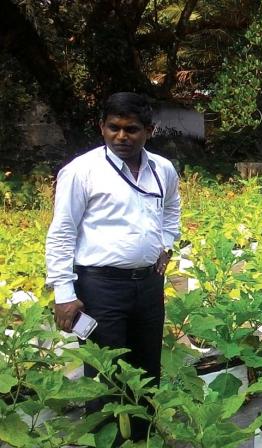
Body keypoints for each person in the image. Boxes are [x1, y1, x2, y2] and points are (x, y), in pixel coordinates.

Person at [46, 92, 181, 442]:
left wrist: (166, 246)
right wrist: (64, 293)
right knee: (105, 376)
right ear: (101, 127)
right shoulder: (81, 171)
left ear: (148, 131)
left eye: (131, 129)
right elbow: (61, 232)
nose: (121, 136)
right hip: (99, 287)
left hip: (148, 284)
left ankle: (143, 438)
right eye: (113, 128)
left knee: (146, 370)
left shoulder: (163, 169)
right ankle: (110, 441)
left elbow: (171, 212)